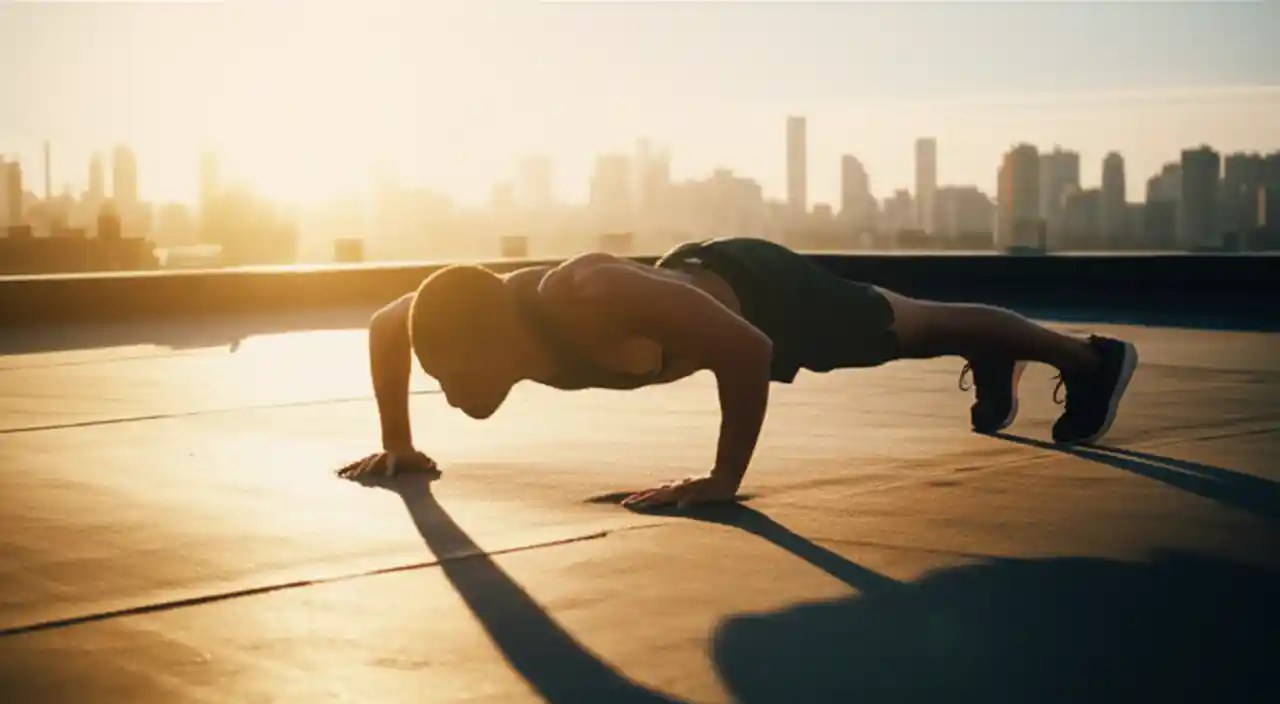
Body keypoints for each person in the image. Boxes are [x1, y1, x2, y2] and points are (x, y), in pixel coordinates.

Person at [336, 237, 1138, 510]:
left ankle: (1090, 358)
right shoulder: (463, 310)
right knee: (916, 335)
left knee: (916, 328)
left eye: (454, 374)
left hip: (768, 293)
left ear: (496, 337)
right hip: (707, 293)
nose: (450, 394)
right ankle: (994, 356)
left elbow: (749, 350)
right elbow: (385, 324)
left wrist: (723, 479)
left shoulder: (587, 294)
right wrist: (398, 443)